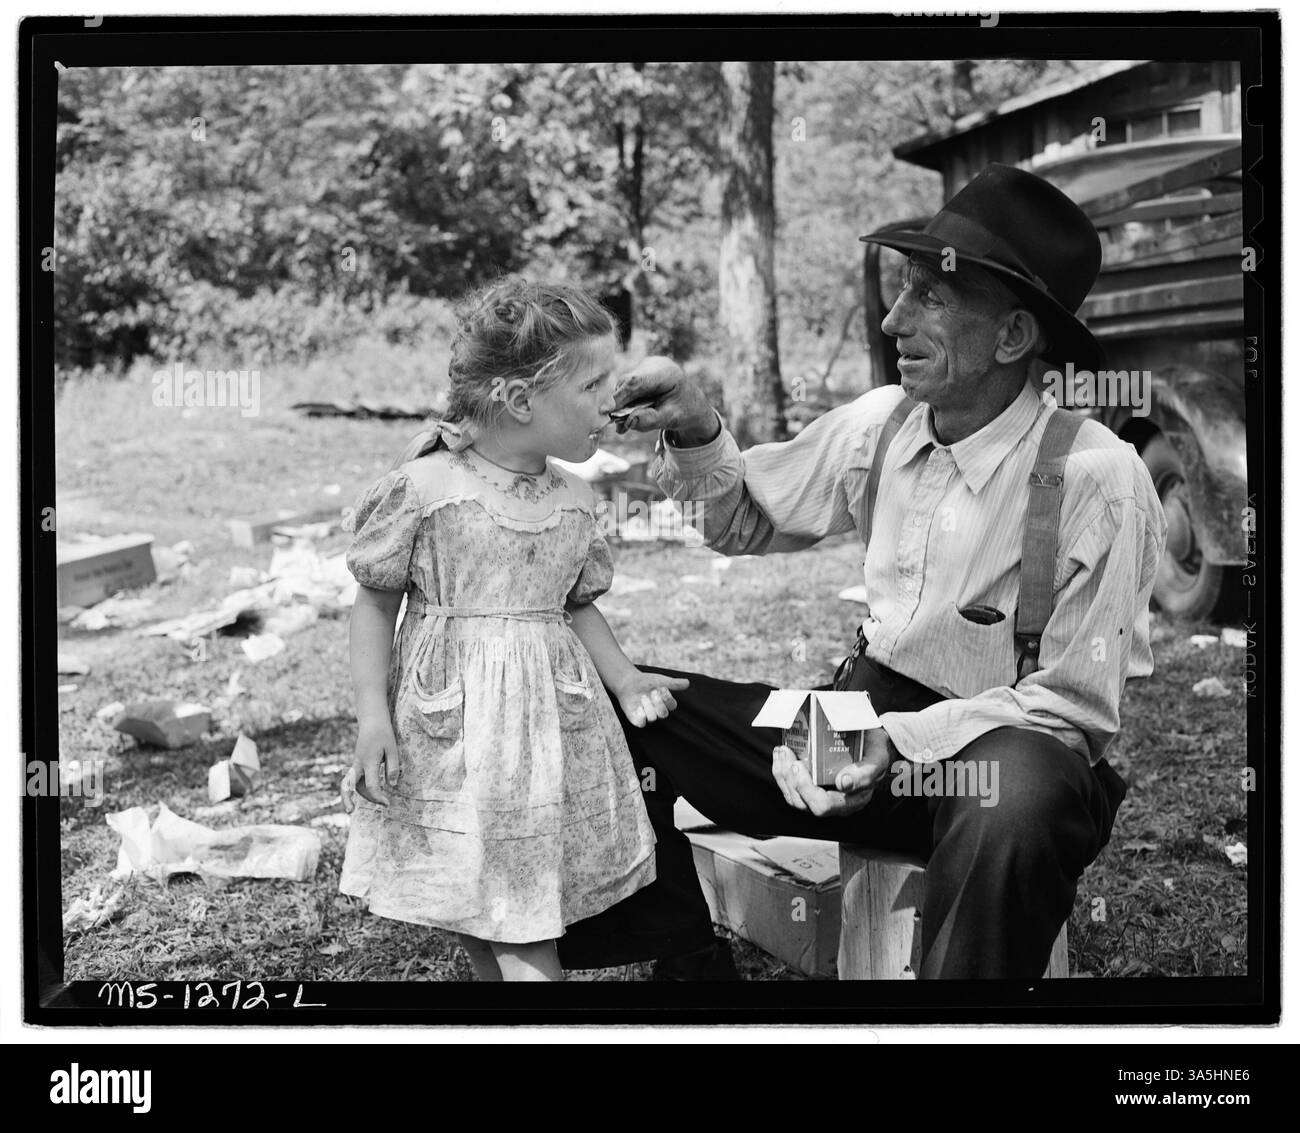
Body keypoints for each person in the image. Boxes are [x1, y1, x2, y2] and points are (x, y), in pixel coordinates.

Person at [556, 164, 1169, 980]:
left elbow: (1073, 710)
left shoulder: (1100, 476)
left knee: (1014, 790)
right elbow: (746, 521)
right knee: (617, 698)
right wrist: (699, 421)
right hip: (858, 721)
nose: (892, 318)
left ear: (1014, 337)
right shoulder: (885, 424)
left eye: (930, 297)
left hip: (999, 753)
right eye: (903, 290)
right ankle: (691, 967)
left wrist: (899, 743)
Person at [338, 277, 689, 982]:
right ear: (521, 400)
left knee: (519, 906)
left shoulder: (574, 498)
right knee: (483, 900)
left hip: (545, 731)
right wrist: (372, 717)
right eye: (593, 387)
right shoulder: (428, 489)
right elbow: (374, 603)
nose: (610, 403)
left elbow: (573, 601)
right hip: (453, 731)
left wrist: (624, 676)